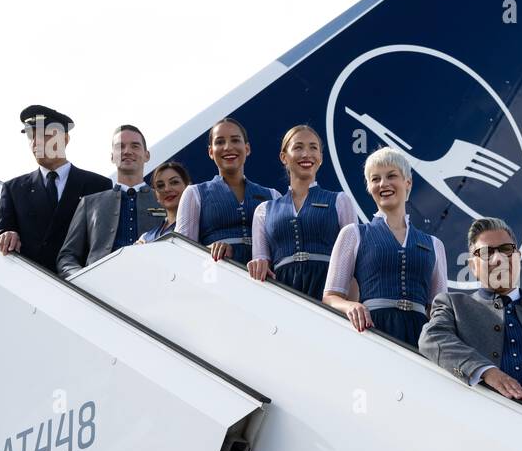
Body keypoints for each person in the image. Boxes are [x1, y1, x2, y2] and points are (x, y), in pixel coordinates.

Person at [418, 217, 522, 404]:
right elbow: (431, 338)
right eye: (486, 253)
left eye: (506, 250)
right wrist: (486, 371)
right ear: (472, 266)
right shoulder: (453, 305)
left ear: (519, 257)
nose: (498, 259)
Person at [323, 148, 448, 347]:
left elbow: (438, 310)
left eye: (391, 176)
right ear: (369, 187)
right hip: (373, 330)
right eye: (375, 179)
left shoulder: (434, 244)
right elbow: (330, 297)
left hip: (421, 338)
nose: (383, 184)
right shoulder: (354, 234)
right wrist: (350, 306)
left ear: (408, 182)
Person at [0, 105, 111, 274]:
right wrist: (5, 233)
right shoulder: (13, 189)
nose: (36, 143)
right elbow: (2, 228)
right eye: (31, 137)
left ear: (65, 139)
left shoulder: (98, 186)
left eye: (44, 136)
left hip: (84, 288)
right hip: (31, 284)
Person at [248, 125, 355, 298]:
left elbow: (352, 263)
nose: (306, 154)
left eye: (313, 148)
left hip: (328, 291)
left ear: (320, 157)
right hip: (283, 294)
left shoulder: (340, 201)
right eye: (298, 147)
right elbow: (261, 266)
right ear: (284, 157)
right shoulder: (264, 211)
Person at [57, 125, 163, 277]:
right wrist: (83, 280)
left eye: (135, 146)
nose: (127, 151)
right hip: (100, 292)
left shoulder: (166, 201)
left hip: (155, 284)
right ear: (112, 156)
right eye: (120, 146)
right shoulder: (89, 204)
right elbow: (67, 256)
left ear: (147, 155)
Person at [174, 117, 277, 264]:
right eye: (220, 142)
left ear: (247, 148)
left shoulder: (272, 195)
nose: (228, 147)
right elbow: (182, 250)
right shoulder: (195, 193)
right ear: (211, 152)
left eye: (235, 140)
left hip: (266, 282)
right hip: (216, 278)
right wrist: (209, 250)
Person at [137, 161, 191, 242]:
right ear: (156, 195)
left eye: (174, 182)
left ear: (188, 186)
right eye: (160, 185)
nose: (167, 189)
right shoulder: (146, 238)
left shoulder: (202, 225)